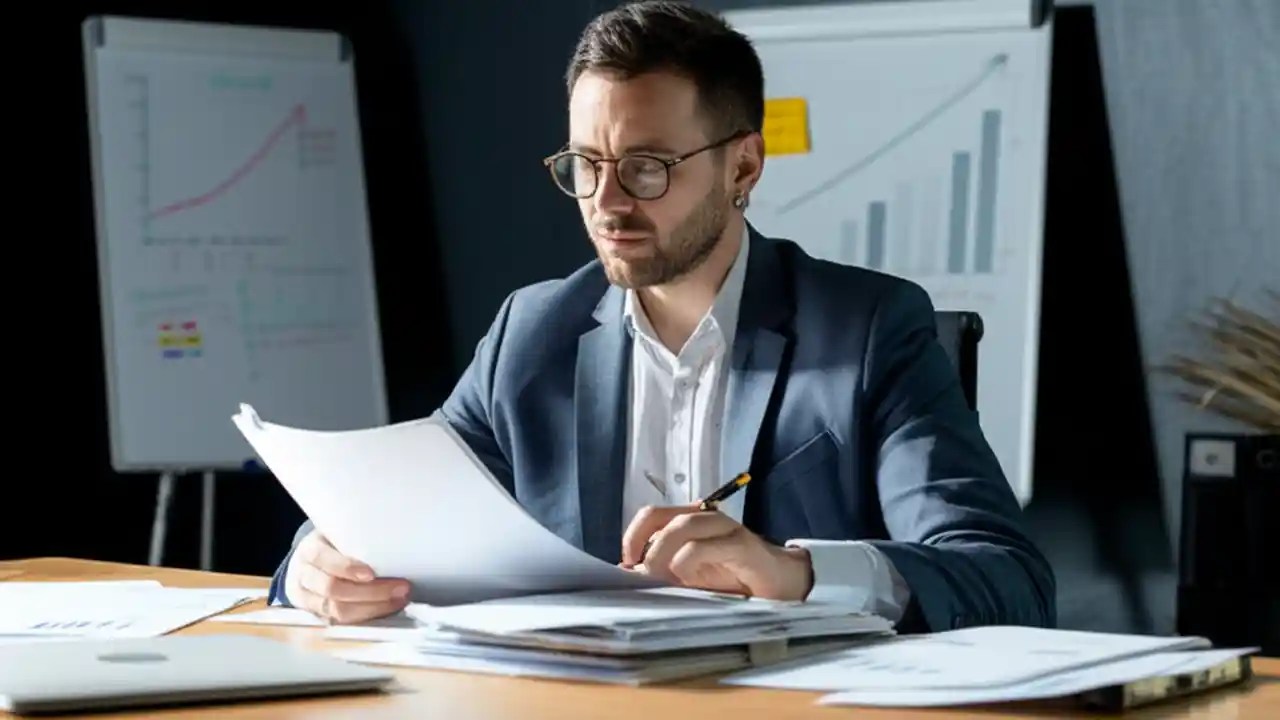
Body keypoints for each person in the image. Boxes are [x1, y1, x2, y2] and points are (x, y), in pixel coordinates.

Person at [268, 0, 1055, 633]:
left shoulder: (870, 328)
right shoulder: (532, 333)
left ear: (742, 165)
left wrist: (797, 574)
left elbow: (1005, 580)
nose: (606, 204)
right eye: (585, 165)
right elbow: (400, 511)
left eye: (646, 167)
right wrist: (317, 562)